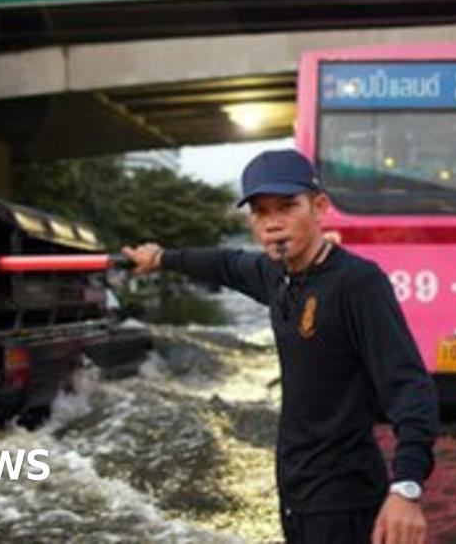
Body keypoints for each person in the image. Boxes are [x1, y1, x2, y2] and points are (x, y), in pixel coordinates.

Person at [123, 149, 438, 544]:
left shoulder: (357, 283)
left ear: (319, 207)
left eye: (287, 207)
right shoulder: (275, 275)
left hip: (345, 498)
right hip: (293, 489)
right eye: (260, 212)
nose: (272, 224)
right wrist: (160, 258)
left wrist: (406, 487)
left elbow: (409, 386)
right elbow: (224, 263)